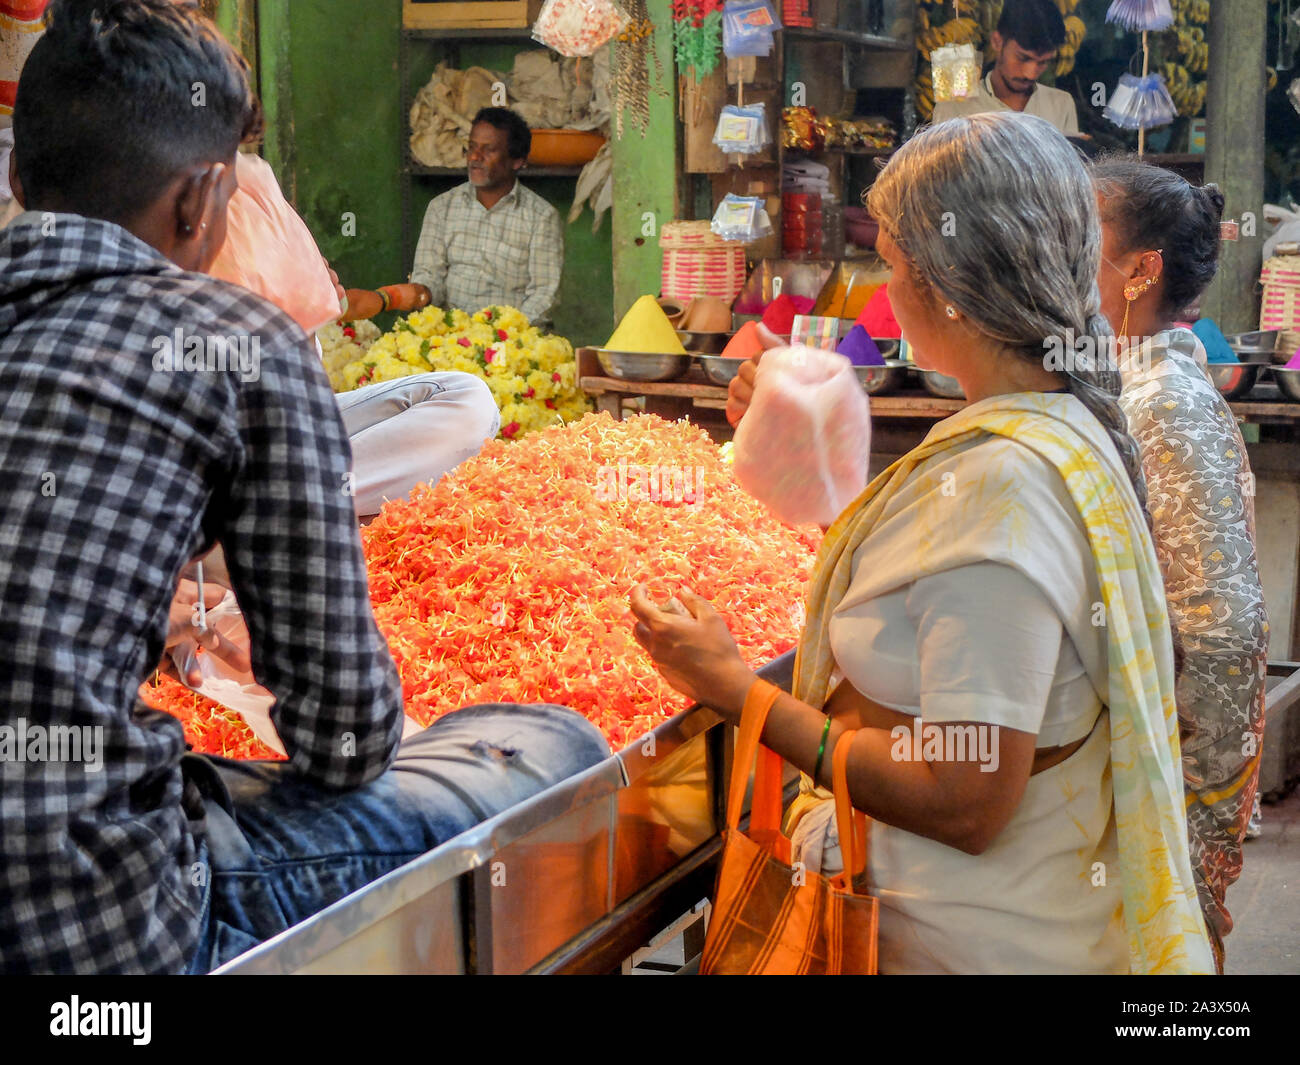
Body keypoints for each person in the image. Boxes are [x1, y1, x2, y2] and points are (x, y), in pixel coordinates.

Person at [0, 0, 606, 975]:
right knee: (545, 743)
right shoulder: (236, 344)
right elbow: (344, 739)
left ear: (20, 179)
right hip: (102, 924)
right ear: (203, 200)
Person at [639, 112, 1213, 973]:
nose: (889, 287)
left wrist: (732, 689)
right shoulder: (1057, 421)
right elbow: (927, 577)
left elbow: (965, 798)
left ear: (951, 284)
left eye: (897, 263)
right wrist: (791, 434)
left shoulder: (1004, 482)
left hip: (966, 945)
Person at [1092, 157, 1269, 973]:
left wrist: (1186, 754)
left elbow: (1222, 622)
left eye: (1084, 241)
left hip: (1194, 727)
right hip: (1187, 722)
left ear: (1142, 270)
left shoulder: (1163, 399)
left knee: (1175, 943)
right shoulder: (1147, 374)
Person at [409, 106, 564, 328]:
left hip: (513, 342)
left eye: (488, 150)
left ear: (517, 160)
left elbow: (544, 295)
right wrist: (421, 293)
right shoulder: (442, 207)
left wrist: (503, 334)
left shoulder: (541, 217)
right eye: (471, 147)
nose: (474, 157)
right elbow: (428, 274)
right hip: (449, 339)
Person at [932, 0, 1080, 136]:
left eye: (1042, 62)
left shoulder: (1062, 104)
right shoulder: (954, 107)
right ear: (997, 42)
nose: (1030, 74)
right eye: (1023, 58)